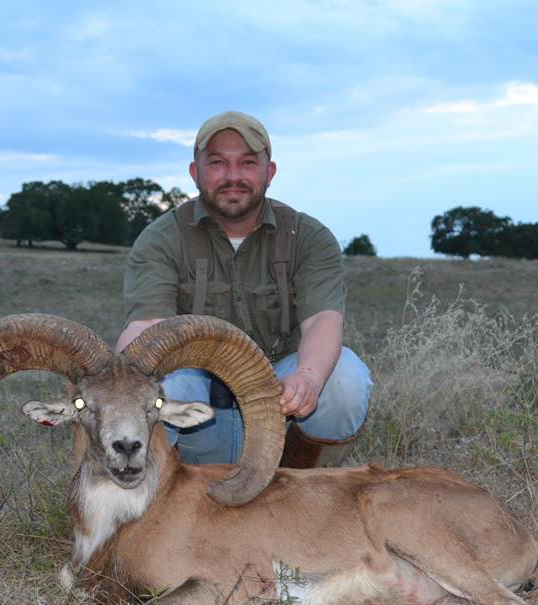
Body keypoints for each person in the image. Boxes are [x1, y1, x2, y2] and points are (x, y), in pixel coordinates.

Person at [115, 111, 372, 467]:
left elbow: (322, 320)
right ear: (196, 173)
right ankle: (161, 501)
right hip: (200, 417)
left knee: (344, 379)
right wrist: (121, 385)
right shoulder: (161, 238)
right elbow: (146, 326)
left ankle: (303, 486)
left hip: (281, 406)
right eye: (218, 162)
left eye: (248, 163)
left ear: (269, 172)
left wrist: (307, 380)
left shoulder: (309, 237)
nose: (233, 176)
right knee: (161, 387)